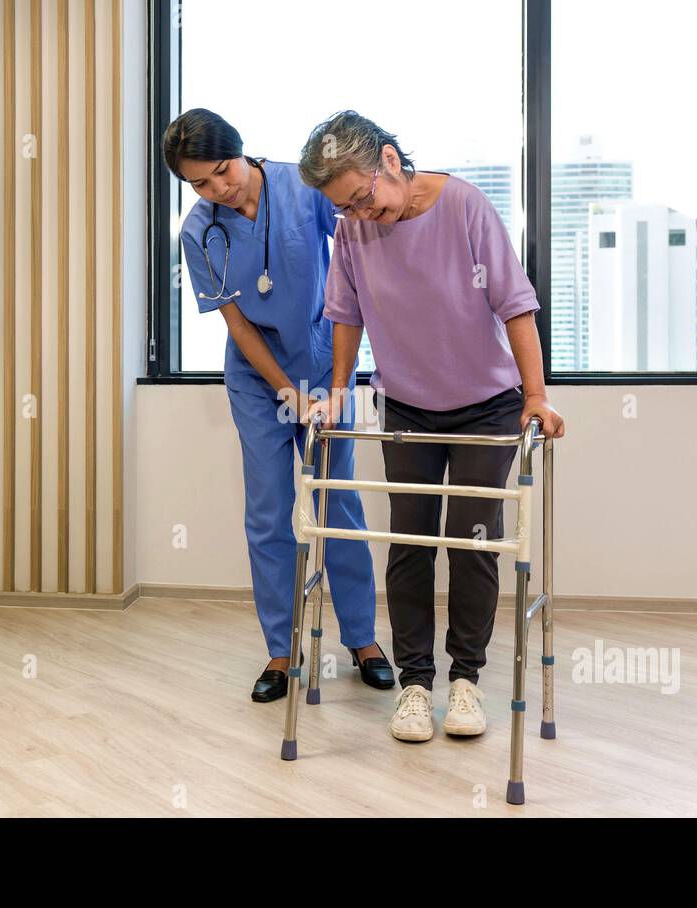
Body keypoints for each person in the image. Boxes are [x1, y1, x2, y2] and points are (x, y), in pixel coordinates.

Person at [300, 110, 566, 741]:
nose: (361, 215)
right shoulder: (354, 232)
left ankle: (466, 682)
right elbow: (346, 313)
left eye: (364, 197)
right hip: (407, 407)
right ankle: (416, 684)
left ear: (390, 160)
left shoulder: (465, 206)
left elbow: (515, 303)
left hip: (487, 404)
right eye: (346, 208)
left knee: (474, 540)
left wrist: (535, 395)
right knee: (411, 543)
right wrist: (337, 391)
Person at [162, 109, 394, 702]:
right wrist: (284, 393)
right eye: (201, 184)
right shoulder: (198, 232)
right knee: (268, 513)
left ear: (241, 149)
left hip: (322, 363)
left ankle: (363, 640)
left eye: (222, 171)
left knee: (337, 501)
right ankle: (279, 651)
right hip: (256, 380)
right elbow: (237, 326)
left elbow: (352, 261)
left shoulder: (302, 185)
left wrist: (330, 380)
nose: (219, 189)